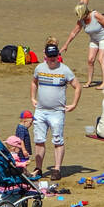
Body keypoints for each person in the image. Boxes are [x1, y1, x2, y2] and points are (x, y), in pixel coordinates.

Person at [30, 40, 81, 178]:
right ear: (45, 55)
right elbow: (34, 82)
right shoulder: (39, 68)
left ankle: (57, 169)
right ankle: (38, 168)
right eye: (50, 56)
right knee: (39, 140)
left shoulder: (65, 70)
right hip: (40, 110)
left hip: (57, 112)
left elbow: (77, 86)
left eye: (54, 56)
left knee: (57, 140)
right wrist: (33, 98)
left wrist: (74, 104)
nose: (52, 59)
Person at [62, 4, 104, 90]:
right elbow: (73, 33)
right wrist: (66, 45)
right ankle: (89, 81)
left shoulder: (95, 15)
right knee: (90, 60)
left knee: (101, 59)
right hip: (94, 39)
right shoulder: (81, 20)